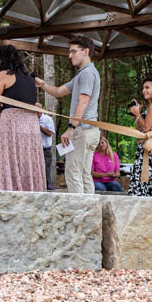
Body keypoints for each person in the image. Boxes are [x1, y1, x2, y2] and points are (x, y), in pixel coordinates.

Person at [35, 36, 100, 194]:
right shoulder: (83, 74)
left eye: (73, 51)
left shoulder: (87, 74)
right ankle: (89, 213)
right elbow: (58, 91)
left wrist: (71, 128)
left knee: (73, 173)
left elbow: (83, 102)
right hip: (90, 130)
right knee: (84, 174)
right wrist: (42, 83)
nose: (70, 55)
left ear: (85, 51)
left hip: (82, 130)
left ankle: (78, 214)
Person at [0, 44, 45, 192]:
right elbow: (30, 104)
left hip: (12, 124)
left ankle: (9, 191)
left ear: (0, 60)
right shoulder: (30, 79)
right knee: (28, 160)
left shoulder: (3, 75)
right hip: (31, 126)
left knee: (10, 159)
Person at [38, 112, 56, 191]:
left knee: (46, 167)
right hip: (33, 149)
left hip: (45, 149)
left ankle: (48, 185)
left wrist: (39, 127)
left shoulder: (47, 119)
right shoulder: (29, 118)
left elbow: (50, 133)